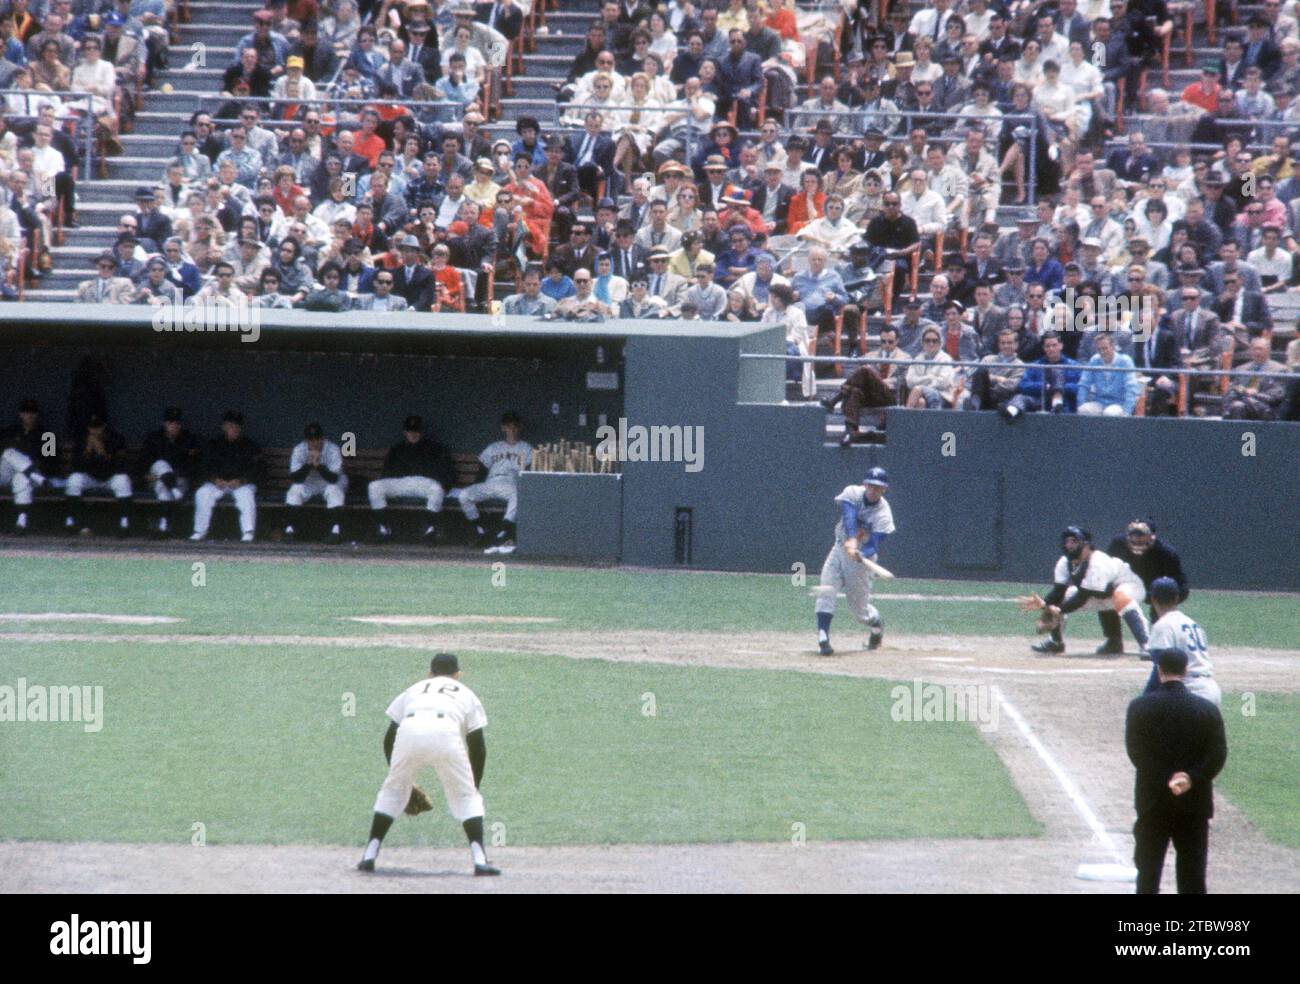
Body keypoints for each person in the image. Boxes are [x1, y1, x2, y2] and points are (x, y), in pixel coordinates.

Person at [357, 652, 499, 877]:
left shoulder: (414, 689)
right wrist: (473, 786)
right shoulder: (467, 693)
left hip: (409, 730)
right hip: (446, 734)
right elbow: (477, 746)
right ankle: (480, 860)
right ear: (457, 675)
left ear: (429, 673)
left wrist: (403, 780)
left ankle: (368, 856)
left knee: (392, 792)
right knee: (466, 798)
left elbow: (388, 739)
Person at [1125, 648, 1228, 894]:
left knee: (1148, 874)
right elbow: (1217, 755)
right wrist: (1190, 778)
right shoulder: (1206, 710)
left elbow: (1137, 753)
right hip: (1194, 803)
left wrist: (1165, 778)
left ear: (1159, 670)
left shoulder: (1139, 707)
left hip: (1153, 801)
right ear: (1186, 671)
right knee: (1193, 876)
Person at [1022, 526, 1151, 655]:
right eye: (1067, 541)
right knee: (1066, 595)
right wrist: (1044, 604)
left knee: (1120, 596)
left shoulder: (1098, 561)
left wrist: (1059, 610)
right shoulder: (1065, 562)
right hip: (1102, 595)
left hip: (1129, 586)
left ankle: (1146, 644)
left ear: (1086, 544)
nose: (1069, 545)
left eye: (1073, 541)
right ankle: (1056, 642)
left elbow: (1083, 596)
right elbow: (1059, 592)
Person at [814, 467, 894, 656]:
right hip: (839, 548)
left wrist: (862, 553)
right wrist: (851, 540)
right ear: (865, 485)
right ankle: (823, 638)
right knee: (827, 589)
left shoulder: (884, 514)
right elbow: (849, 515)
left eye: (878, 487)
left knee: (860, 611)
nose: (873, 490)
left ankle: (876, 624)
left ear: (884, 489)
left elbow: (875, 543)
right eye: (871, 486)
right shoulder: (853, 493)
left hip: (861, 563)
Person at [449, 412, 532, 553]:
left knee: (519, 496)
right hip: (491, 482)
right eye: (508, 426)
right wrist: (476, 488)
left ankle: (504, 531)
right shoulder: (494, 447)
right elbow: (481, 471)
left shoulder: (526, 448)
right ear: (503, 428)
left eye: (515, 426)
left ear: (520, 428)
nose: (512, 430)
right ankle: (481, 531)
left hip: (510, 483)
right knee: (464, 495)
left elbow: (528, 472)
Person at [367, 415, 456, 544]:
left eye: (416, 431)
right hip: (401, 483)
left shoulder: (435, 448)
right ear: (405, 432)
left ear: (421, 432)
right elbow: (386, 473)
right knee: (374, 486)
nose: (413, 434)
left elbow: (448, 472)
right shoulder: (397, 449)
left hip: (424, 483)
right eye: (410, 431)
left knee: (437, 489)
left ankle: (430, 531)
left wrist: (444, 487)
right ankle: (384, 529)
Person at [1142, 578, 1220, 706]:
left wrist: (1145, 700)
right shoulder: (1193, 624)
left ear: (1153, 599)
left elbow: (1160, 671)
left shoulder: (1163, 626)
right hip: (1211, 689)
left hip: (1189, 692)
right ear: (1177, 598)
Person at [190, 410, 261, 544]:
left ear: (240, 428)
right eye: (229, 425)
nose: (232, 429)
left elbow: (258, 470)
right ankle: (199, 531)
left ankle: (248, 532)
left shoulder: (249, 445)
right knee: (202, 493)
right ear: (223, 426)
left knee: (246, 495)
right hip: (218, 484)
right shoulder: (214, 444)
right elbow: (204, 467)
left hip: (240, 485)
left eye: (236, 426)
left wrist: (241, 481)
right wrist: (214, 479)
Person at [63, 414, 132, 536]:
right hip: (91, 477)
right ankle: (71, 520)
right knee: (74, 480)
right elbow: (75, 465)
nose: (95, 431)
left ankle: (124, 523)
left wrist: (103, 453)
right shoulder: (82, 439)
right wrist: (88, 450)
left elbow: (122, 465)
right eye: (92, 428)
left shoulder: (116, 438)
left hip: (110, 478)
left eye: (98, 427)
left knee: (123, 480)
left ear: (104, 426)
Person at [136, 406, 200, 538]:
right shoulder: (154, 438)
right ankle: (174, 493)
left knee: (163, 486)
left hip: (179, 480)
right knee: (161, 464)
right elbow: (143, 461)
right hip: (157, 478)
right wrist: (145, 475)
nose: (174, 426)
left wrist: (175, 473)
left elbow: (192, 465)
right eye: (171, 423)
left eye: (177, 423)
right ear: (165, 423)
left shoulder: (189, 438)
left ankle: (164, 525)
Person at [282, 423, 347, 545]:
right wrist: (308, 464)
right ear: (306, 440)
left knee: (334, 490)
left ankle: (336, 532)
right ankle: (289, 530)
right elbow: (296, 478)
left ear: (322, 438)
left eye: (317, 439)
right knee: (295, 490)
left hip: (329, 481)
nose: (314, 442)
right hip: (309, 481)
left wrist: (318, 465)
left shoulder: (333, 449)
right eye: (310, 440)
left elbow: (333, 478)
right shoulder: (299, 449)